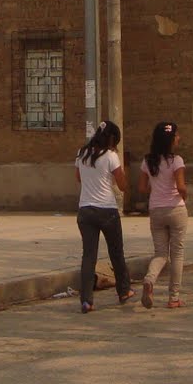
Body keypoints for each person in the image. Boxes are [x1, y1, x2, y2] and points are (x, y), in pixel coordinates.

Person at [74, 120, 132, 313]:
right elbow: (122, 185)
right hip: (107, 210)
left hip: (85, 210)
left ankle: (86, 300)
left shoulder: (82, 153)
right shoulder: (110, 156)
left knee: (88, 256)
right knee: (116, 252)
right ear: (112, 139)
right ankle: (123, 291)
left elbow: (78, 177)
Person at [138, 121, 189, 309]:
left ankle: (150, 279)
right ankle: (173, 298)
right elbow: (181, 186)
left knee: (160, 253)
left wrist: (156, 188)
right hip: (176, 209)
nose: (179, 138)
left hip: (156, 210)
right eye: (176, 135)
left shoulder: (147, 161)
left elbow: (142, 188)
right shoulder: (177, 161)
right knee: (177, 254)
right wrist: (184, 195)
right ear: (171, 140)